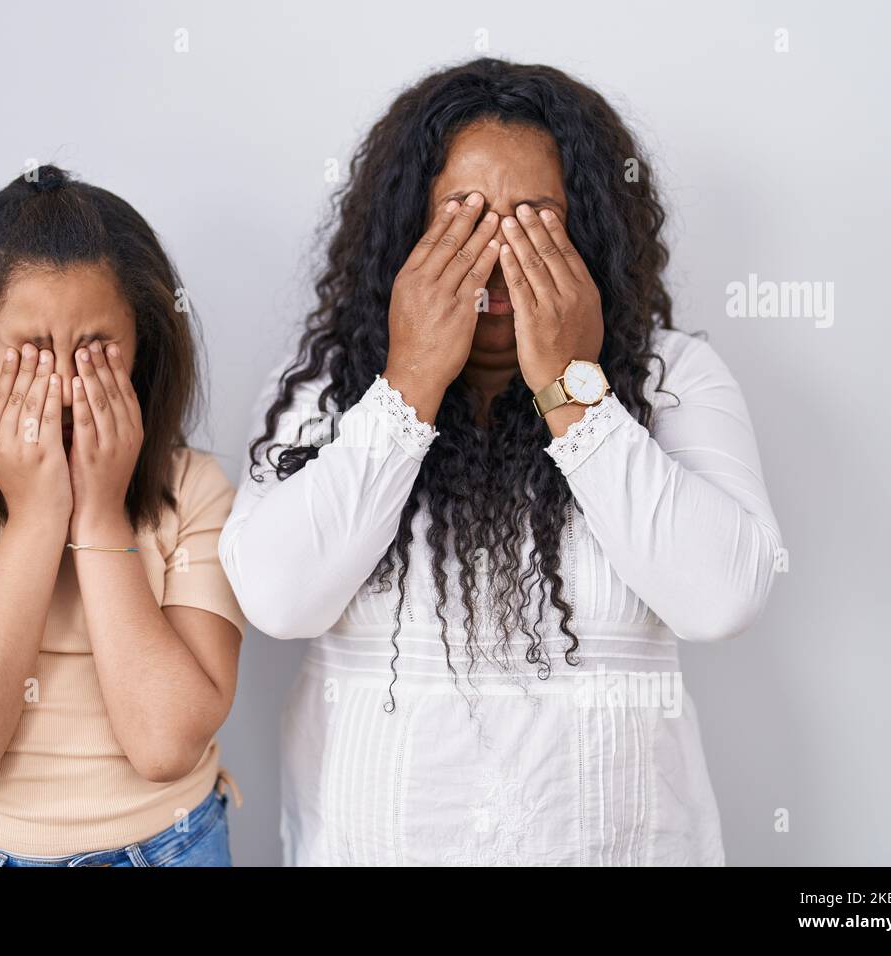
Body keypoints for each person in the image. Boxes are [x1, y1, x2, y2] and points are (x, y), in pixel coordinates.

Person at [220, 59, 782, 866]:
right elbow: (278, 598)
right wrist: (410, 381)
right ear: (408, 233)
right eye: (464, 216)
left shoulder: (671, 378)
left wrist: (572, 391)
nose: (497, 255)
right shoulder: (321, 385)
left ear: (586, 237)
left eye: (536, 220)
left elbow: (723, 599)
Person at [0, 166, 245, 867]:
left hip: (175, 846)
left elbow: (164, 745)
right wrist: (38, 518)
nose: (64, 384)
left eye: (96, 348)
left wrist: (98, 517)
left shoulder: (198, 489)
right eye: (31, 352)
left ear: (143, 342)